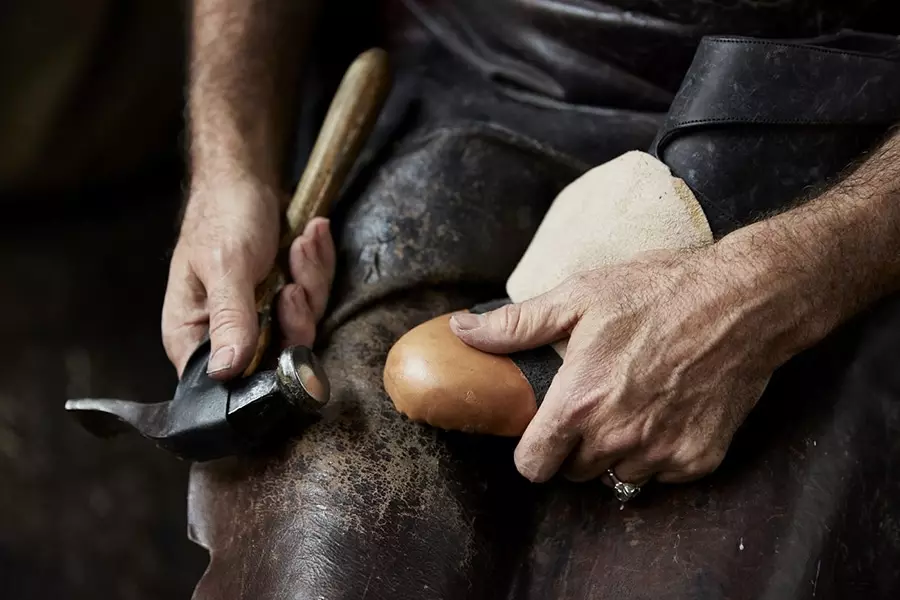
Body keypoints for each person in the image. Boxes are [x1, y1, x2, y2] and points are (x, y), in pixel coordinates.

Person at [162, 0, 900, 495]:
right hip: (480, 64)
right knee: (331, 500)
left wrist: (774, 283)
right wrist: (231, 163)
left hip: (832, 121)